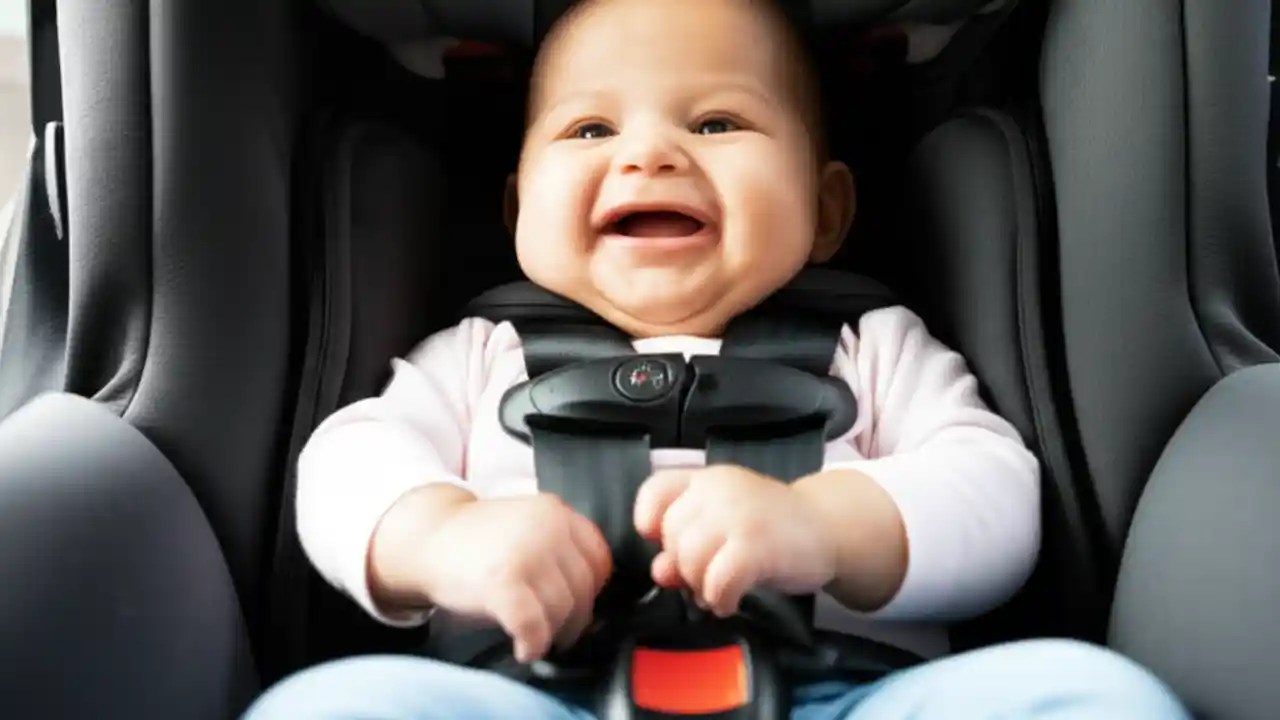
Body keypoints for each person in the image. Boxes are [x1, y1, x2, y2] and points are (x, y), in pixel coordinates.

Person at [245, 0, 1189, 716]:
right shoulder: (476, 357)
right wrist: (447, 539)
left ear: (826, 211)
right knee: (328, 706)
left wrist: (823, 526)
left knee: (1088, 693)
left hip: (848, 691)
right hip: (531, 690)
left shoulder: (873, 348)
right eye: (590, 129)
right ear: (518, 209)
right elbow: (348, 464)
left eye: (716, 124)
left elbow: (994, 495)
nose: (649, 155)